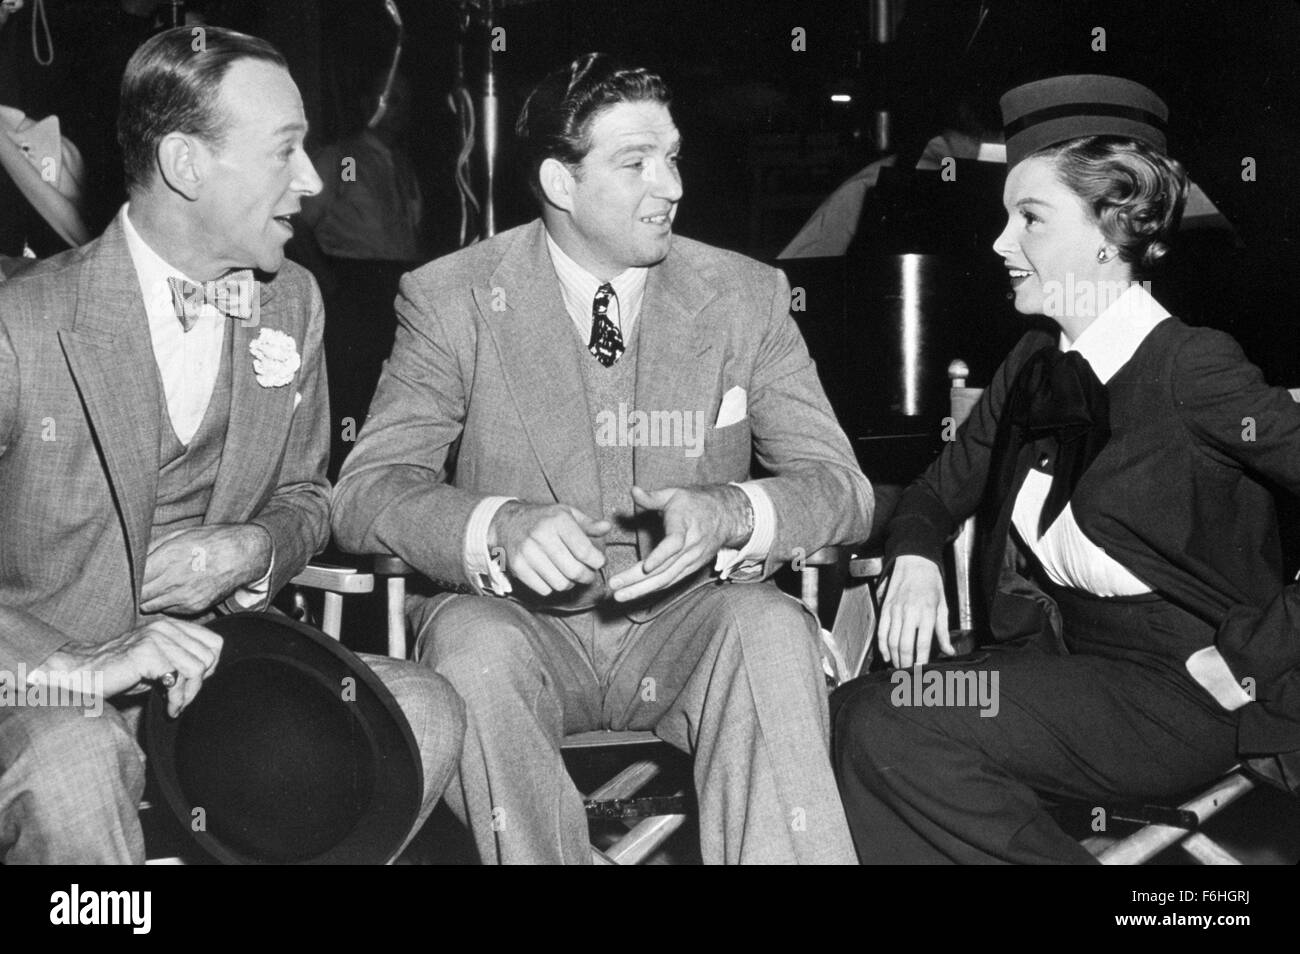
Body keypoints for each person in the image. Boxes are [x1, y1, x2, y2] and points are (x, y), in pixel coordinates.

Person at [331, 53, 874, 865]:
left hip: (690, 625)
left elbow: (844, 489)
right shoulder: (453, 297)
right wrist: (499, 525)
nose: (674, 186)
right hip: (521, 627)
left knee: (771, 629)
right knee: (472, 646)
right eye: (636, 163)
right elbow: (366, 491)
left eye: (673, 155)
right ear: (560, 181)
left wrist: (731, 511)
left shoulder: (746, 294)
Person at [0, 26, 463, 864]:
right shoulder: (19, 324)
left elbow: (308, 497)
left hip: (215, 684)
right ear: (185, 164)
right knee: (74, 758)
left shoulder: (293, 304)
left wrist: (252, 549)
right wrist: (79, 662)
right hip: (36, 688)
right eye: (284, 151)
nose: (314, 179)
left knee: (422, 708)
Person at [831, 74, 1300, 863]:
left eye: (1030, 220)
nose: (999, 244)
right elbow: (938, 491)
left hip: (1180, 693)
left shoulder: (1192, 369)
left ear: (1109, 232)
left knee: (898, 724)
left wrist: (1261, 652)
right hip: (1065, 669)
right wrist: (913, 553)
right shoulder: (1035, 362)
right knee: (860, 707)